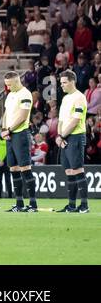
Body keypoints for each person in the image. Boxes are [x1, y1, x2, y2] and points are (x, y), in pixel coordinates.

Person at [0, 71, 36, 212]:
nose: (7, 87)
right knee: (13, 168)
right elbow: (6, 113)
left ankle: (33, 204)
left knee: (25, 168)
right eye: (6, 85)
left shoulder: (25, 94)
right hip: (9, 135)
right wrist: (4, 129)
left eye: (9, 84)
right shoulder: (10, 95)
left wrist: (8, 129)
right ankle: (19, 204)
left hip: (21, 134)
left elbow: (23, 116)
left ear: (16, 81)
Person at [55, 69, 90, 213]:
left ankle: (84, 205)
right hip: (64, 137)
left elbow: (75, 121)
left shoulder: (79, 98)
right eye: (61, 82)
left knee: (77, 170)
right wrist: (59, 136)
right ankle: (71, 205)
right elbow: (61, 120)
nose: (61, 85)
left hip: (75, 136)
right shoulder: (65, 98)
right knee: (69, 171)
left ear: (72, 82)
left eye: (64, 82)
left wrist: (62, 136)